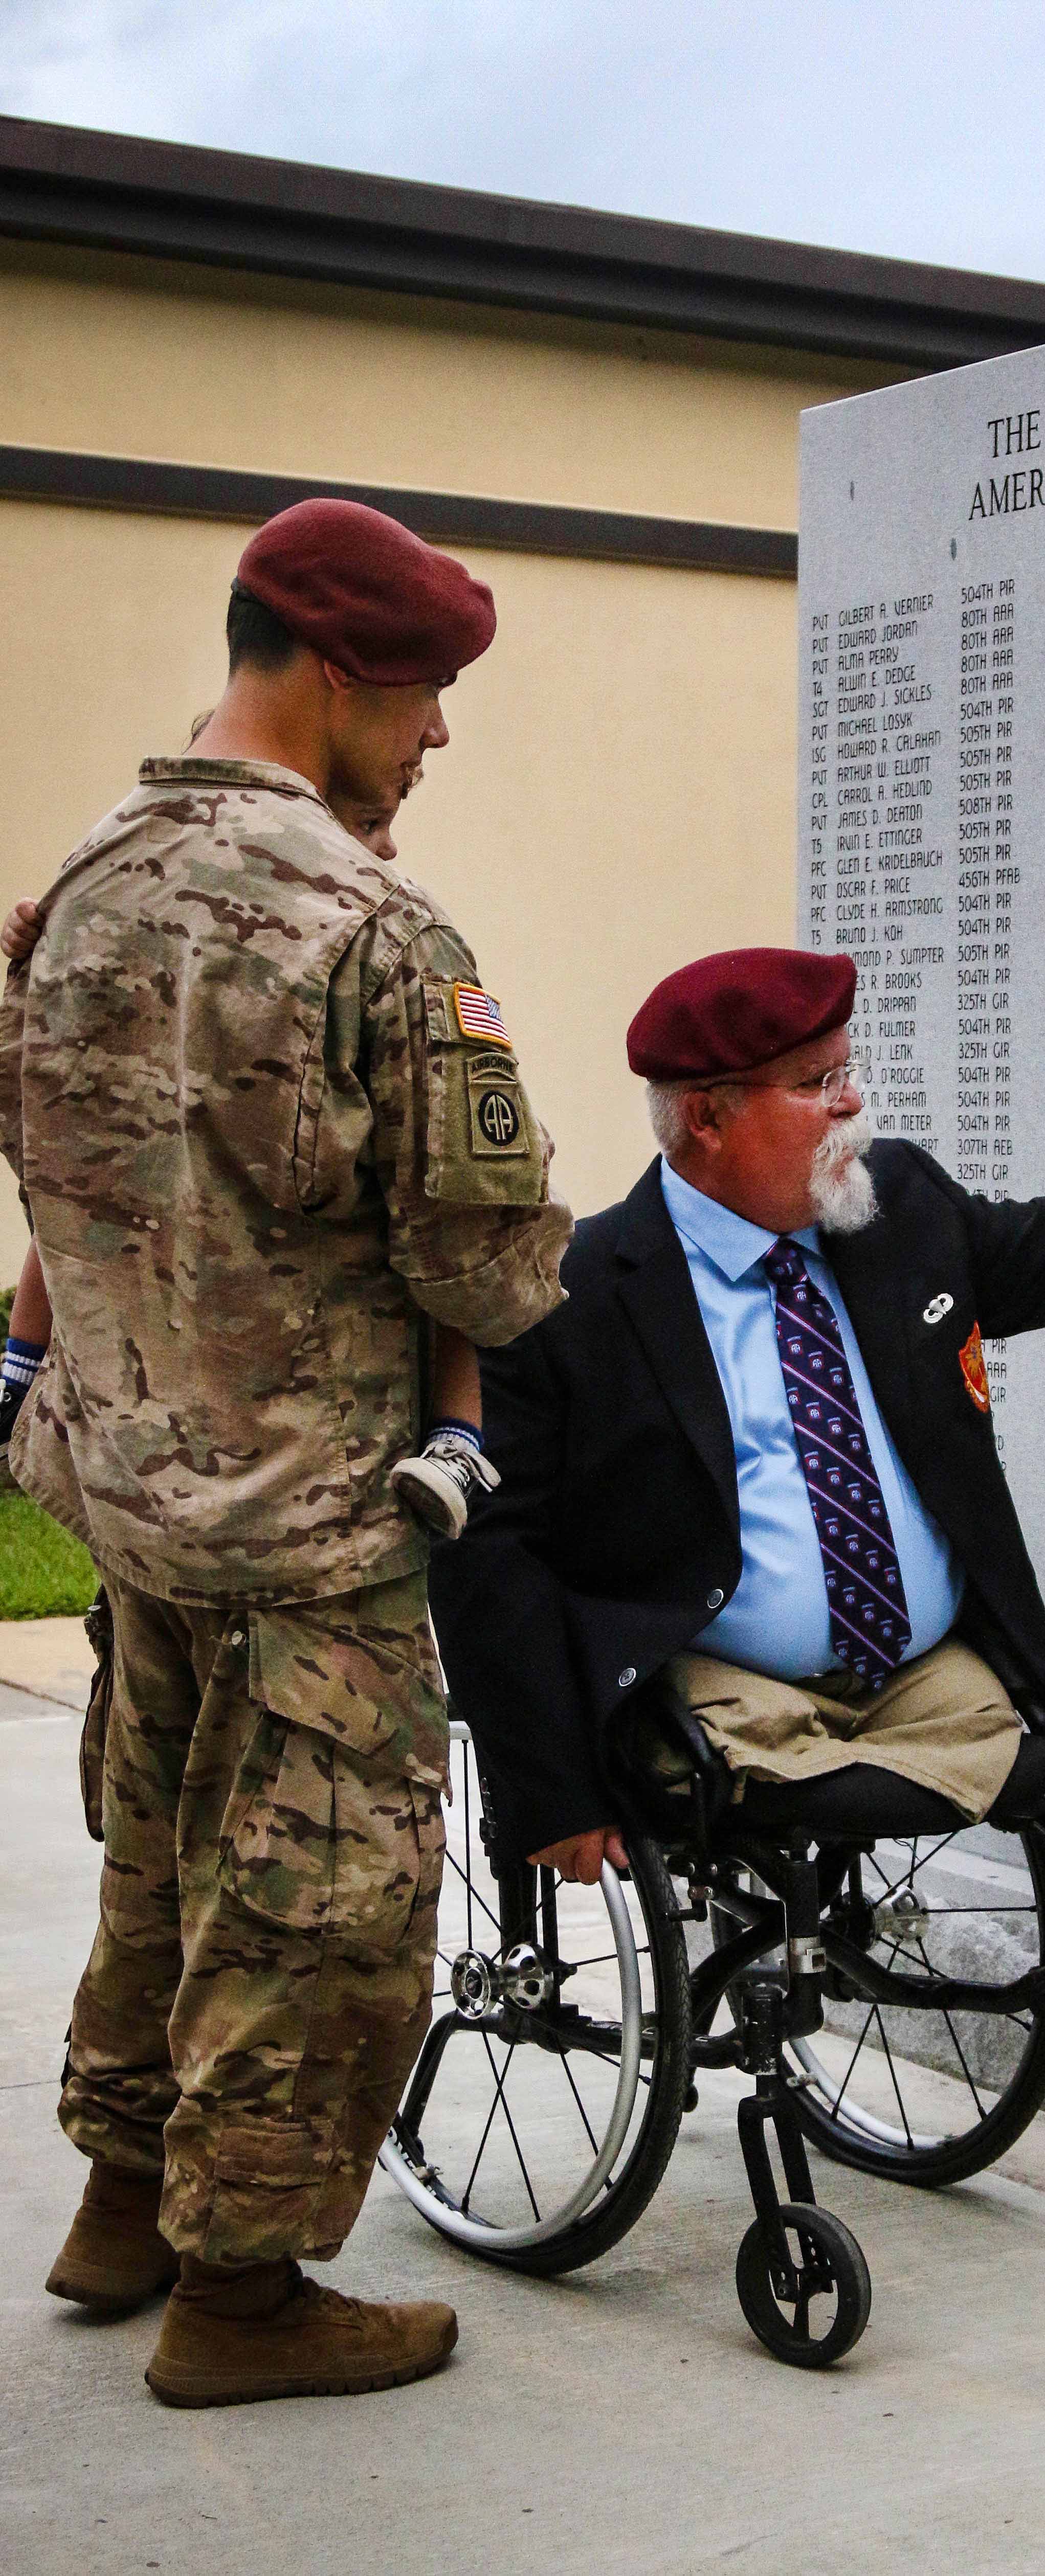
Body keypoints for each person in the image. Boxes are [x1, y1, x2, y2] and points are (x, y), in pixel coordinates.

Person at [0, 496, 572, 2408]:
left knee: (159, 1851)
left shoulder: (83, 879)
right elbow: (479, 1250)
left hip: (139, 1497)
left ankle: (115, 2201)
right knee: (317, 1907)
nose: (435, 737)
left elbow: (55, 1175)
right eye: (422, 696)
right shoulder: (372, 923)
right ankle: (238, 2297)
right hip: (318, 1520)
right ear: (333, 674)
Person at [429, 945, 1045, 1889]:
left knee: (1040, 1768)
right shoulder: (574, 1296)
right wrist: (549, 1790)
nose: (852, 1100)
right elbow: (490, 1545)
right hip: (722, 1690)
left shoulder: (897, 1208)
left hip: (923, 1674)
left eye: (848, 1069)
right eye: (815, 1083)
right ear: (707, 1120)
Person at [2, 800, 493, 1545]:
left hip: (326, 1367)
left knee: (440, 1247)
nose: (387, 850)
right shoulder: (178, 938)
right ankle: (15, 1371)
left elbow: (459, 1212)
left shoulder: (371, 947)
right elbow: (63, 1200)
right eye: (368, 826)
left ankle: (458, 1438)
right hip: (176, 1355)